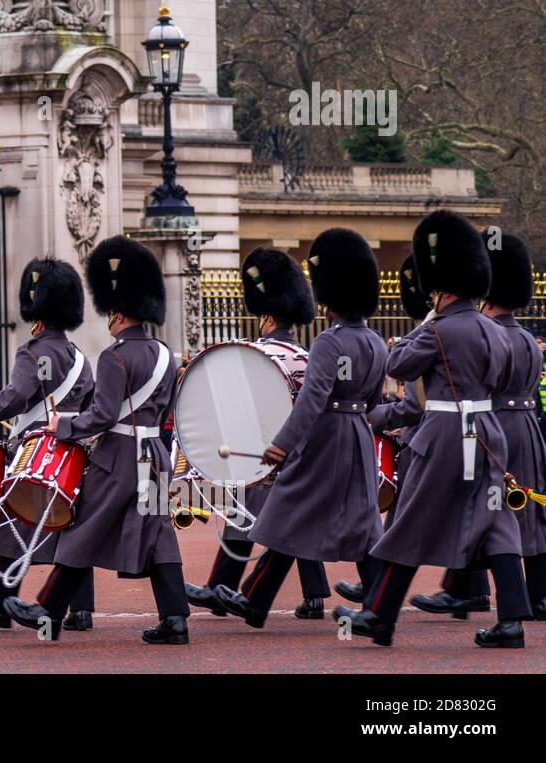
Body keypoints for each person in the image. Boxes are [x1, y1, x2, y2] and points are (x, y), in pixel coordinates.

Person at [339, 212, 534, 648]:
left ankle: (378, 615)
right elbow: (501, 380)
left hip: (446, 432)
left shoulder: (439, 330)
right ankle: (512, 622)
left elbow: (398, 365)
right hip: (488, 430)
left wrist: (424, 324)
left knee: (410, 522)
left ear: (442, 288)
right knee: (498, 522)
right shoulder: (494, 330)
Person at [4, 237, 187, 644]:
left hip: (119, 456)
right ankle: (175, 619)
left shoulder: (114, 356)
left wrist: (63, 427)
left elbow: (103, 416)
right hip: (155, 454)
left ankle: (48, 611)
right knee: (158, 534)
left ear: (117, 312)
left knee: (81, 527)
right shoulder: (163, 354)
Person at [214, 228, 387, 630]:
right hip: (358, 434)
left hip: (324, 439)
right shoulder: (376, 343)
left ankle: (257, 600)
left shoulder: (329, 342)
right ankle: (258, 601)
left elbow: (312, 399)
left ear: (332, 301)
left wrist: (282, 444)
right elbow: (376, 401)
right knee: (359, 524)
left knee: (289, 512)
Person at [185, 247, 330, 620]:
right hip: (301, 450)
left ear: (266, 317)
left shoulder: (256, 353)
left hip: (262, 450)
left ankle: (223, 586)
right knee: (297, 518)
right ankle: (314, 595)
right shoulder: (307, 355)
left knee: (242, 514)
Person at [0, 257, 96, 631]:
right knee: (71, 524)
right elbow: (91, 405)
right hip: (70, 449)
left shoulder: (34, 351)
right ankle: (81, 609)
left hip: (34, 446)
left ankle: (0, 602)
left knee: (16, 519)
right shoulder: (80, 359)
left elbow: (16, 397)